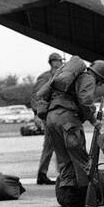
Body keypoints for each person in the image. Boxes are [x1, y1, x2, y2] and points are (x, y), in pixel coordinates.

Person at [44, 58, 104, 201]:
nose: (98, 85)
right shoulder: (88, 78)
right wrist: (94, 121)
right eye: (101, 82)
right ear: (98, 77)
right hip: (68, 120)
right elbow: (85, 100)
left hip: (51, 119)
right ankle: (86, 195)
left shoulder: (73, 78)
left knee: (64, 160)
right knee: (81, 158)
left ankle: (68, 196)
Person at [31, 52, 64, 184]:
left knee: (53, 145)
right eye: (58, 60)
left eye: (60, 60)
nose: (60, 62)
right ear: (52, 62)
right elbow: (36, 96)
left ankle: (44, 174)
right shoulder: (45, 77)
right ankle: (48, 174)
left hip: (57, 114)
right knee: (53, 144)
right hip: (48, 115)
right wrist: (36, 114)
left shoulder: (61, 75)